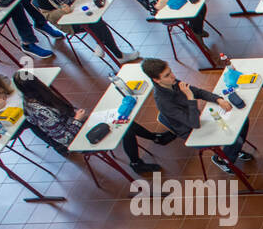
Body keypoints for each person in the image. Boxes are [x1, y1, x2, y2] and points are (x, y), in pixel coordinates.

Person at [12, 71, 166, 174]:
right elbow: (64, 138)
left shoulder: (38, 98)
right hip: (75, 138)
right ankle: (136, 163)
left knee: (122, 119)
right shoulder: (40, 109)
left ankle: (155, 137)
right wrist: (77, 120)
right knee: (126, 130)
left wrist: (77, 116)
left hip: (77, 123)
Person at [142, 57, 252, 175]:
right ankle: (223, 159)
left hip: (200, 119)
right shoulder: (163, 102)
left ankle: (231, 151)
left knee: (243, 121)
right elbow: (194, 123)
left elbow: (198, 92)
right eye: (167, 75)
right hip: (191, 132)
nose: (173, 76)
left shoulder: (172, 83)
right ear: (156, 80)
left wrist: (218, 99)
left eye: (171, 71)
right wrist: (190, 98)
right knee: (235, 139)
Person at [27, 0, 140, 63]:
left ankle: (101, 42)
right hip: (67, 21)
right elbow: (48, 16)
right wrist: (61, 11)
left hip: (78, 7)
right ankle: (118, 55)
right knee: (96, 23)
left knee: (95, 18)